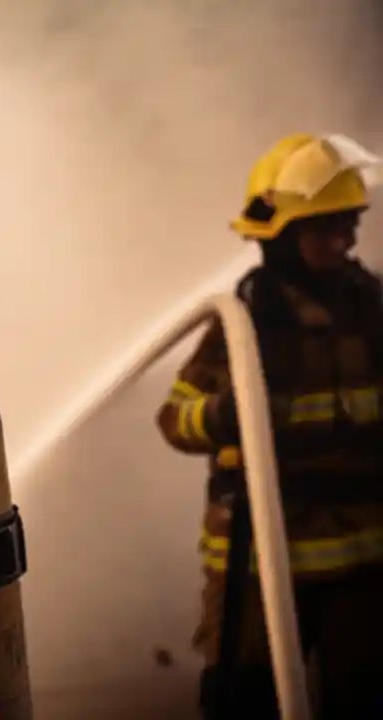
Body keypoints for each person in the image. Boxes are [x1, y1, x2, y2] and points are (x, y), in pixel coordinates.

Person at [157, 132, 383, 718]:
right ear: (281, 235)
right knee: (245, 701)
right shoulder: (242, 323)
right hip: (256, 562)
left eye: (348, 225)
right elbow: (174, 419)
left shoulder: (374, 310)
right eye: (324, 229)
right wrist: (223, 415)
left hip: (364, 559)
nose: (343, 241)